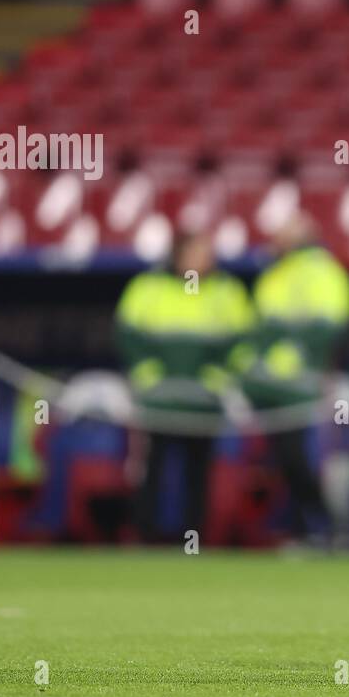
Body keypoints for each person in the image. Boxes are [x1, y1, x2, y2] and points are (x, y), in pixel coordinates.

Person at [114, 231, 254, 542]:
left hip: (203, 402)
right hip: (160, 401)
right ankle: (145, 538)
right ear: (178, 255)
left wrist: (218, 377)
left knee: (198, 473)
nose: (200, 261)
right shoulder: (147, 287)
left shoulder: (227, 291)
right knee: (153, 469)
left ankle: (193, 539)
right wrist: (146, 373)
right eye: (193, 253)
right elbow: (127, 336)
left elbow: (243, 344)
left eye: (205, 254)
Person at [239, 214, 349, 544]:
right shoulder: (274, 274)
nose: (276, 240)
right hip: (269, 387)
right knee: (282, 458)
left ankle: (326, 527)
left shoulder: (322, 269)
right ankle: (306, 528)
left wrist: (292, 354)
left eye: (284, 234)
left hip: (303, 386)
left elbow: (331, 325)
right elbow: (257, 328)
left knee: (300, 456)